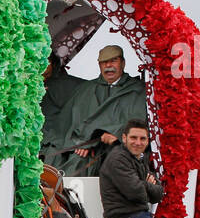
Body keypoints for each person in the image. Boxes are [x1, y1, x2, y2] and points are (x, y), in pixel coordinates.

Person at [55, 45, 147, 176]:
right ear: (99, 65)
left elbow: (139, 122)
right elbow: (69, 123)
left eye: (113, 60)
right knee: (73, 165)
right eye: (104, 62)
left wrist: (117, 136)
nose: (108, 66)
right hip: (87, 151)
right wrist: (81, 142)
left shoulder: (137, 90)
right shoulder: (85, 90)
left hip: (122, 147)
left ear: (123, 63)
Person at [38, 52, 83, 162]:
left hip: (58, 145)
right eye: (38, 61)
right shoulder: (29, 85)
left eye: (46, 61)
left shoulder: (68, 84)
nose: (42, 65)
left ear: (53, 63)